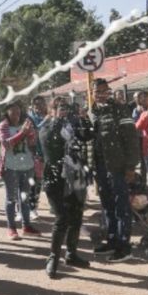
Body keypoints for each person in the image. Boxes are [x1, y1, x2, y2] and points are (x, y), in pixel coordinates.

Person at [39, 97, 93, 278]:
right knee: (62, 217)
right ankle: (53, 257)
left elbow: (88, 135)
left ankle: (71, 253)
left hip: (74, 176)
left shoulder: (72, 126)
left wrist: (84, 118)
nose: (64, 111)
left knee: (76, 214)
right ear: (51, 110)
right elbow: (51, 149)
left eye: (66, 108)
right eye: (59, 107)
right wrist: (58, 121)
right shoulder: (46, 127)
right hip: (54, 178)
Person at [91, 78, 140, 262]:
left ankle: (124, 246)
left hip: (118, 167)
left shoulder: (120, 110)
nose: (101, 95)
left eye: (105, 91)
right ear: (93, 93)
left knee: (121, 207)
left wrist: (130, 167)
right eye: (98, 92)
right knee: (107, 206)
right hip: (101, 168)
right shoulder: (92, 112)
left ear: (109, 92)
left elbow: (132, 140)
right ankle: (112, 240)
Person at [0, 101, 39, 240]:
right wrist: (22, 133)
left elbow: (32, 143)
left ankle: (26, 225)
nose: (16, 114)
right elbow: (6, 144)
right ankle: (11, 228)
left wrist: (31, 134)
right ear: (7, 112)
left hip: (27, 166)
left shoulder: (25, 124)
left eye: (18, 112)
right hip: (11, 168)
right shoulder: (3, 125)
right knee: (11, 199)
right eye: (13, 112)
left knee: (25, 198)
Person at [26, 95, 48, 219]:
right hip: (31, 154)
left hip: (44, 154)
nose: (39, 106)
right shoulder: (29, 118)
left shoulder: (47, 116)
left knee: (39, 182)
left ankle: (34, 206)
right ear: (33, 105)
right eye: (36, 104)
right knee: (31, 182)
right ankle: (29, 207)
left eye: (41, 104)